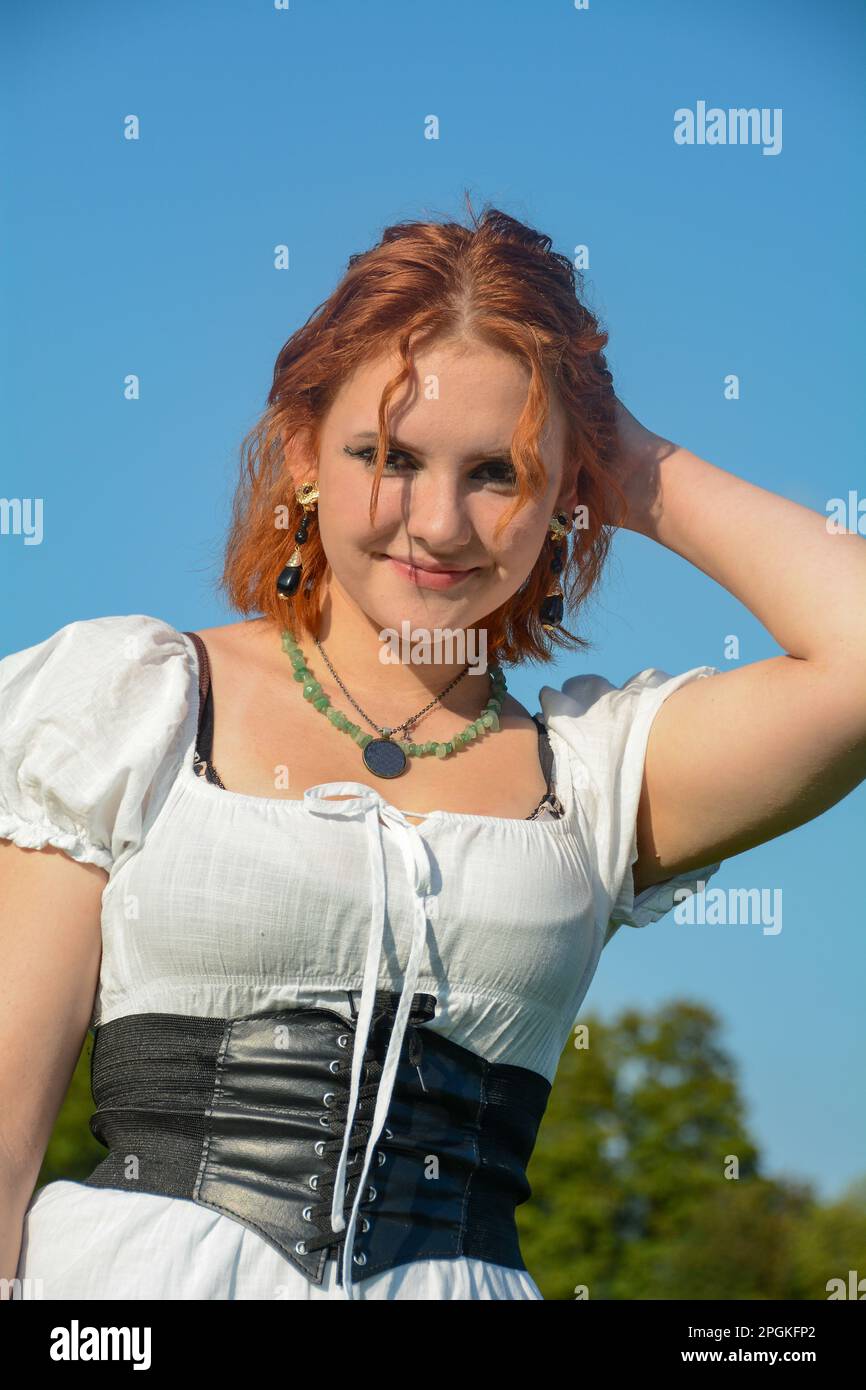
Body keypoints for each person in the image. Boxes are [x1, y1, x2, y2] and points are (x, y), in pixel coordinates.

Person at [2, 205, 865, 1302]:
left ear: (563, 494)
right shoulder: (134, 700)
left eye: (498, 472)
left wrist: (628, 458)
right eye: (388, 456)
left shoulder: (594, 781)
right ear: (304, 450)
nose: (439, 524)